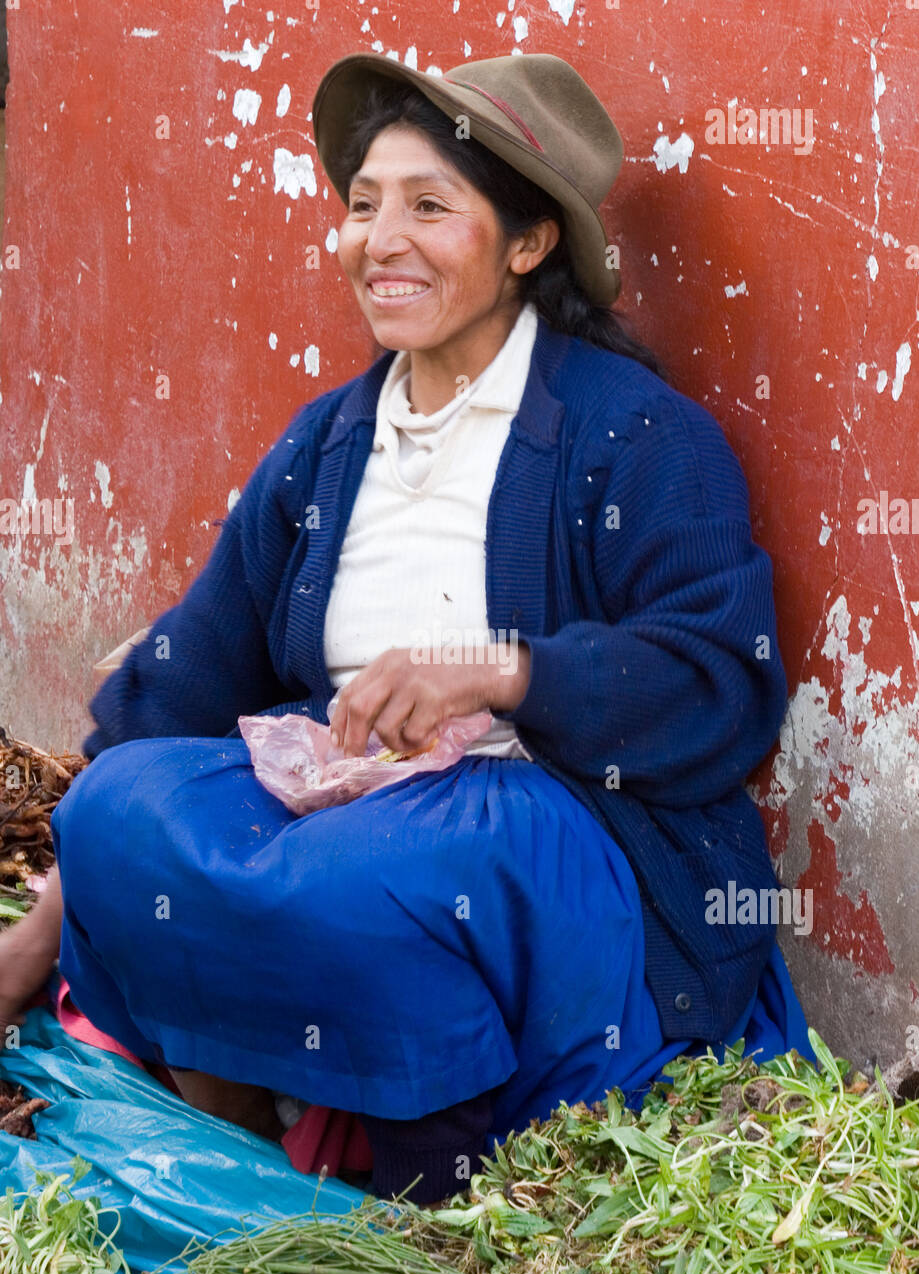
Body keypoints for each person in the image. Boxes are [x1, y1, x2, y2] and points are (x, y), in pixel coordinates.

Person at [0, 52, 808, 1205]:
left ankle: (431, 1195)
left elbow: (722, 681)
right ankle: (231, 1132)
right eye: (362, 204)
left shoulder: (635, 436)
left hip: (541, 818)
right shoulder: (329, 441)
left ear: (527, 244)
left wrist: (500, 672)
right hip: (339, 808)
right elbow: (190, 669)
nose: (380, 238)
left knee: (383, 874)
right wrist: (56, 908)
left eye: (429, 206)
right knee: (121, 806)